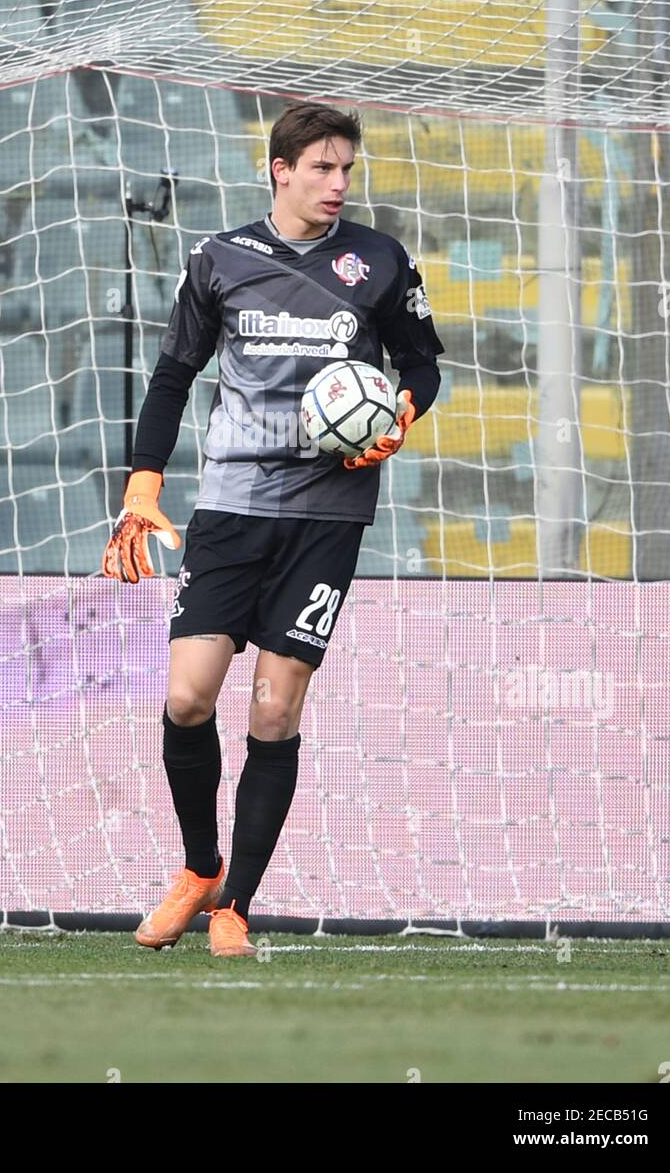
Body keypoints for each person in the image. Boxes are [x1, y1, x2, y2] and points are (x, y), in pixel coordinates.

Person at [102, 101, 444, 957]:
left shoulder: (379, 260)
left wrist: (401, 414)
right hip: (231, 507)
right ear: (280, 170)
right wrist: (144, 485)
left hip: (328, 516)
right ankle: (197, 868)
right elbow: (174, 375)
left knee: (275, 711)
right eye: (323, 168)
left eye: (348, 171)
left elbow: (423, 364)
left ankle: (236, 908)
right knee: (188, 697)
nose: (338, 184)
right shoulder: (220, 260)